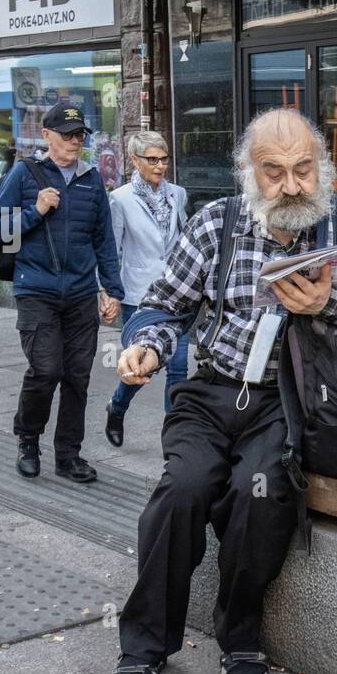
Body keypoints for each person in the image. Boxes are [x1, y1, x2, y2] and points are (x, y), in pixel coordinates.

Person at [107, 107, 337, 674]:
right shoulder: (215, 224)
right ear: (247, 171)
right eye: (275, 172)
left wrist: (329, 305)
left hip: (292, 399)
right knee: (182, 490)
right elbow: (166, 304)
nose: (293, 186)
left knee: (259, 494)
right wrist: (145, 347)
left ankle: (240, 632)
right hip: (213, 389)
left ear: (322, 167)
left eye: (304, 169)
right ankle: (143, 647)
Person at [0, 100, 124, 483]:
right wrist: (35, 210)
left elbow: (103, 239)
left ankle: (68, 455)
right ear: (46, 136)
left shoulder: (92, 178)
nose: (75, 141)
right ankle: (28, 439)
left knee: (78, 377)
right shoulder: (25, 173)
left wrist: (111, 289)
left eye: (80, 134)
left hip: (80, 293)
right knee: (46, 370)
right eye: (67, 135)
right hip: (37, 290)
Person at [103, 132, 190, 446]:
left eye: (164, 159)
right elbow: (112, 249)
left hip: (177, 294)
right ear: (135, 161)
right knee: (140, 363)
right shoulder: (120, 199)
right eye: (152, 159)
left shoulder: (177, 194)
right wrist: (108, 290)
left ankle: (175, 435)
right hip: (138, 294)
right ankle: (118, 405)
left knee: (179, 366)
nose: (160, 165)